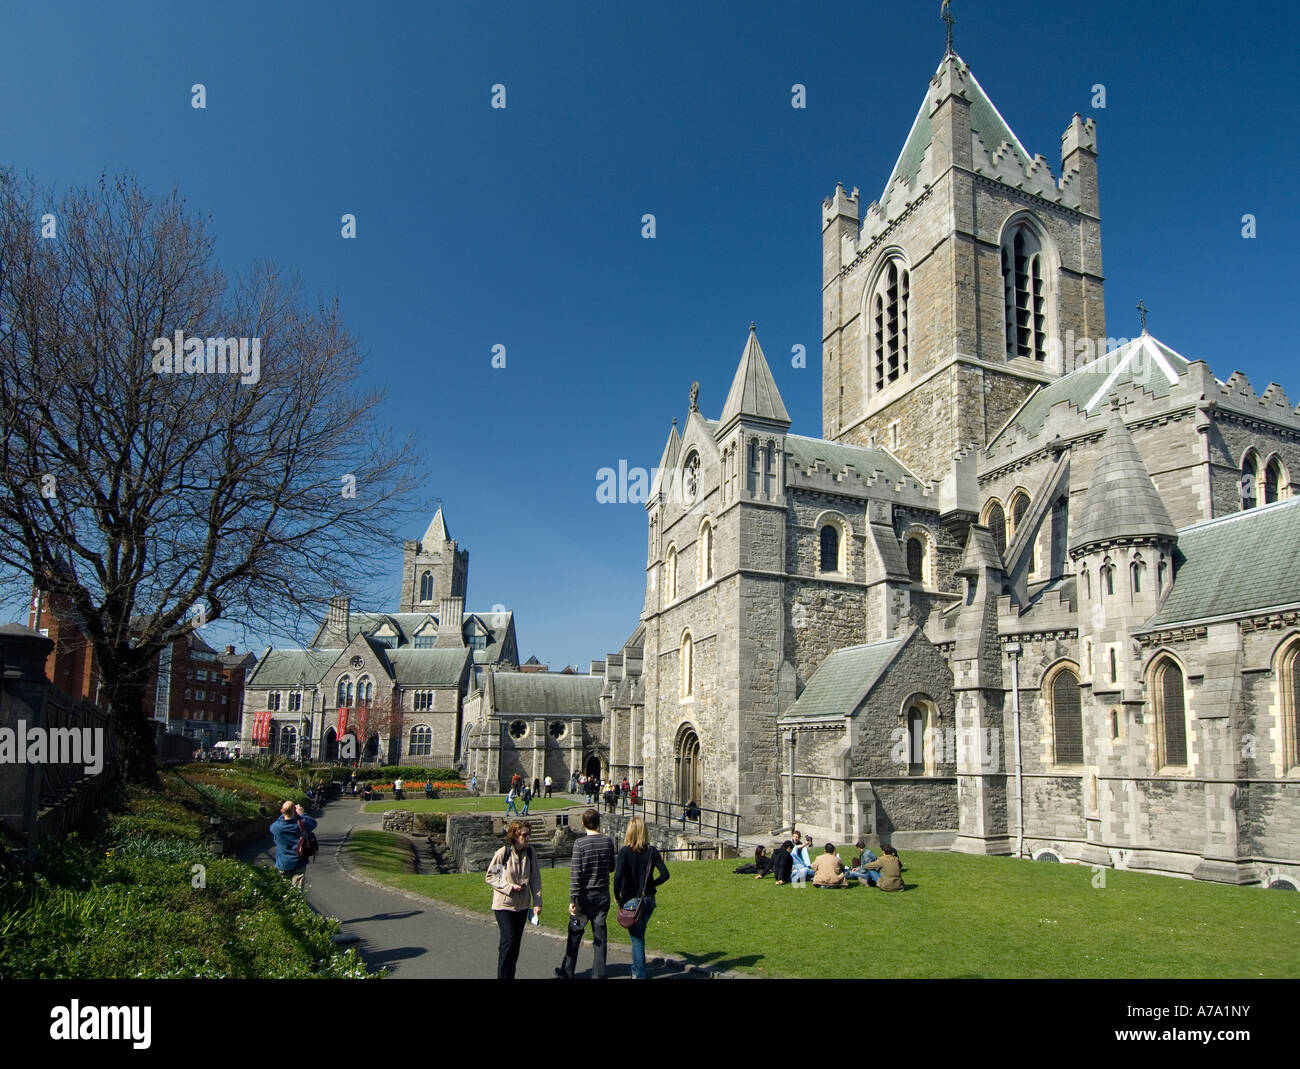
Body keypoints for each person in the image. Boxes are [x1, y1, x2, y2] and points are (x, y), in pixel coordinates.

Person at [555, 808, 615, 980]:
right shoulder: (607, 841)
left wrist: (572, 898)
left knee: (575, 933)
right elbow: (612, 866)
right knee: (600, 935)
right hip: (602, 895)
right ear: (599, 822)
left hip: (584, 896)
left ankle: (567, 972)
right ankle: (599, 974)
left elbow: (576, 874)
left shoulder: (580, 844)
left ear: (583, 823)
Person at [613, 817, 669, 980]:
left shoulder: (624, 852)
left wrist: (616, 896)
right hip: (648, 899)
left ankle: (638, 974)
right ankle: (637, 969)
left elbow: (617, 876)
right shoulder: (652, 851)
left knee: (636, 938)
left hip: (631, 899)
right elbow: (665, 875)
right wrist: (652, 885)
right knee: (639, 934)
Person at [487, 820, 542, 979]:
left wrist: (537, 903)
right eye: (524, 835)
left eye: (528, 834)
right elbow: (491, 877)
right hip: (504, 905)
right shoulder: (502, 854)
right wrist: (510, 887)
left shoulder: (530, 853)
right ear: (515, 836)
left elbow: (535, 879)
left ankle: (510, 975)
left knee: (515, 944)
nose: (527, 837)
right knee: (509, 941)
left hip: (522, 906)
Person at [269, 800, 318, 890]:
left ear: (282, 811)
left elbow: (276, 822)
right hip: (299, 862)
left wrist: (284, 812)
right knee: (297, 891)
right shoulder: (301, 824)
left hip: (282, 863)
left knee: (281, 890)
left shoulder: (276, 827)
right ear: (294, 811)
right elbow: (314, 823)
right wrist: (302, 814)